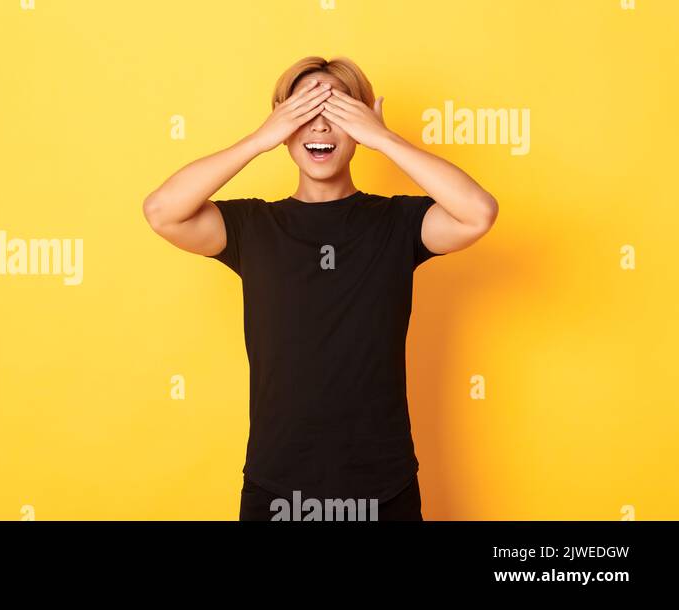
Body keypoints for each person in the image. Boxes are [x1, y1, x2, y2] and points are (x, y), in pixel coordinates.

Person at [141, 56, 498, 521]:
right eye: (306, 112)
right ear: (282, 121)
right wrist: (260, 139)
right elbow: (162, 211)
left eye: (338, 112)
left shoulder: (396, 223)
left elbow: (478, 213)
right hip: (277, 488)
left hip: (384, 487)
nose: (321, 127)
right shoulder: (253, 227)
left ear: (363, 120)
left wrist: (385, 139)